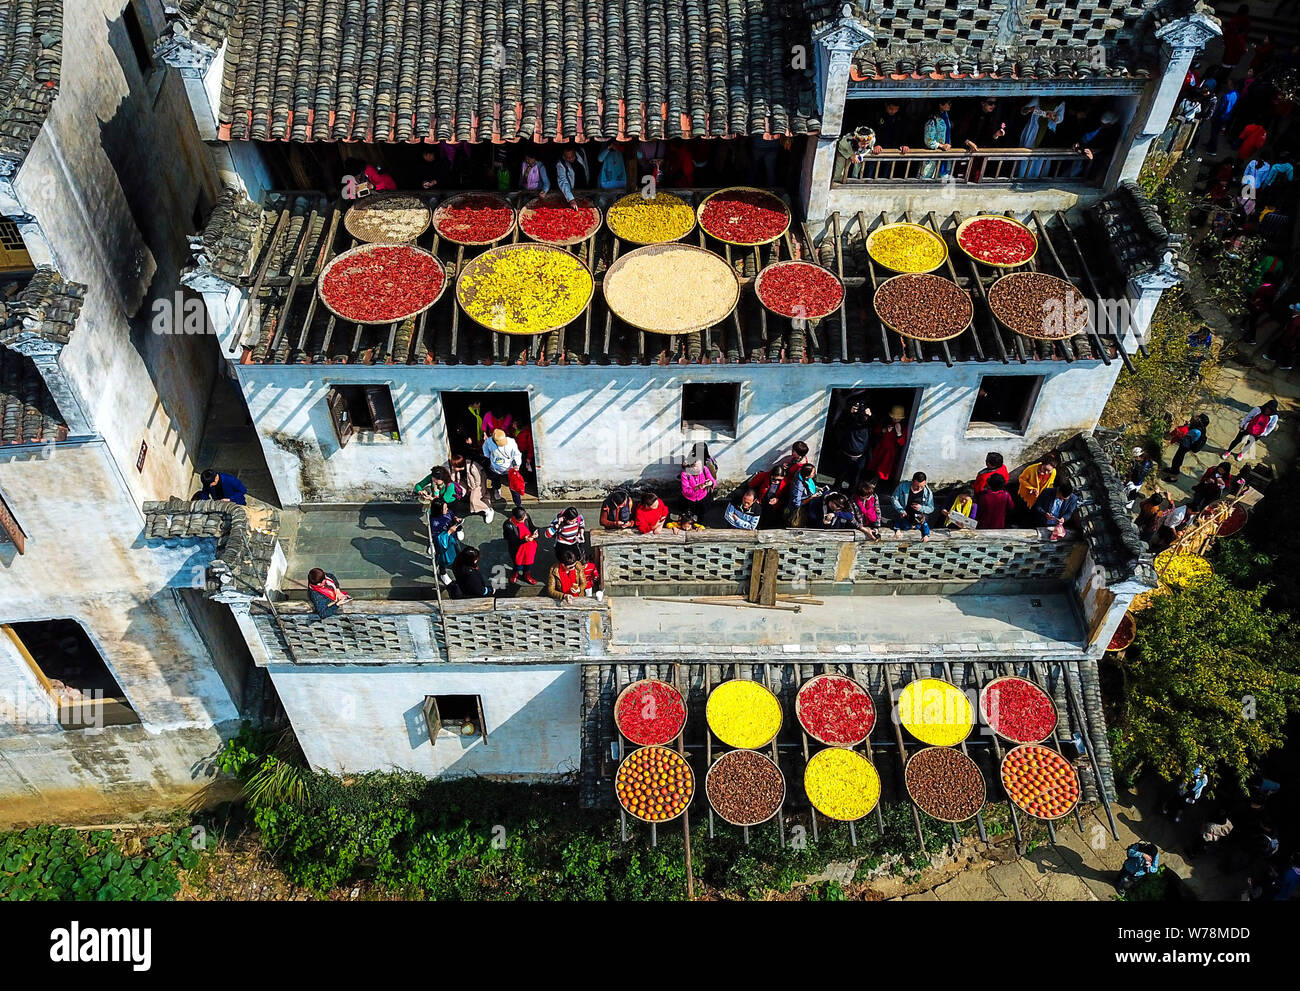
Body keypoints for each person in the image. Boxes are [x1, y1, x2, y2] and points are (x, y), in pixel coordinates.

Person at [830, 399, 873, 492]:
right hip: (846, 455)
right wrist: (849, 412)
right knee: (840, 476)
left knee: (855, 479)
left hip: (860, 457)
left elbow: (874, 424)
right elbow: (842, 422)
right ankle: (836, 491)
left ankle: (850, 493)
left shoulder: (867, 426)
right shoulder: (851, 423)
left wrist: (870, 415)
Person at [1018, 96, 1065, 179]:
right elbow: (1023, 111)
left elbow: (1060, 118)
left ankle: (1038, 178)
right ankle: (1023, 176)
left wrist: (1053, 117)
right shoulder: (1038, 99)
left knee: (1042, 155)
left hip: (1047, 132)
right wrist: (1030, 109)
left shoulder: (1060, 102)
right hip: (1033, 130)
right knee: (1028, 153)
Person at [445, 452, 493, 524]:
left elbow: (478, 482)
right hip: (467, 482)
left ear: (459, 465)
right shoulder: (457, 470)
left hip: (477, 485)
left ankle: (487, 509)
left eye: (454, 466)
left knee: (473, 500)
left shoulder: (472, 468)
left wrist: (472, 490)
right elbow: (453, 480)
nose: (452, 467)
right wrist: (454, 472)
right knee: (459, 493)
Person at [482, 427, 524, 508]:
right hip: (495, 467)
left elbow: (517, 454)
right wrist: (487, 455)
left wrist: (516, 465)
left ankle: (518, 505)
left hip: (510, 468)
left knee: (514, 487)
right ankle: (497, 490)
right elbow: (485, 447)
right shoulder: (489, 441)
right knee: (495, 480)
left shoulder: (511, 442)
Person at [865, 405, 907, 482]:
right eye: (893, 418)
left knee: (883, 469)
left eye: (897, 419)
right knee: (875, 465)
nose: (895, 419)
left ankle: (874, 483)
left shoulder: (903, 427)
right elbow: (876, 431)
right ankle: (871, 480)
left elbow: (902, 443)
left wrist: (899, 433)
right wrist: (883, 431)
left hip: (890, 452)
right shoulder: (885, 422)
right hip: (880, 448)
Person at [426, 498, 462, 586]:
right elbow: (437, 537)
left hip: (452, 539)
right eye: (445, 509)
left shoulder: (447, 511)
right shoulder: (434, 522)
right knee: (442, 558)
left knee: (459, 552)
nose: (447, 510)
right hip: (443, 543)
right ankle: (442, 573)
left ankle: (459, 565)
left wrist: (455, 519)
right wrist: (449, 532)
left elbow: (451, 514)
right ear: (439, 510)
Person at [503, 506, 539, 585]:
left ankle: (526, 575)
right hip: (517, 549)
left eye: (525, 515)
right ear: (516, 518)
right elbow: (512, 541)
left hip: (529, 547)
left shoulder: (526, 517)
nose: (525, 517)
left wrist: (535, 532)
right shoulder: (508, 525)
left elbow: (531, 526)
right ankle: (515, 573)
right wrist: (524, 540)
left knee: (529, 563)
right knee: (518, 564)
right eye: (523, 518)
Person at [890, 473, 932, 542]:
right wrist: (901, 510)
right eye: (917, 486)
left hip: (919, 515)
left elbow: (931, 508)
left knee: (923, 524)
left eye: (922, 487)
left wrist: (921, 508)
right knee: (902, 523)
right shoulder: (902, 487)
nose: (919, 489)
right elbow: (894, 499)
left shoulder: (928, 492)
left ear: (925, 482)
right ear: (912, 481)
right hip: (904, 514)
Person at [1166, 413, 1210, 478]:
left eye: (1198, 417)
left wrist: (1186, 427)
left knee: (1177, 460)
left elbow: (1184, 434)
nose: (1196, 417)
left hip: (1186, 446)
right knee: (1177, 458)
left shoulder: (1197, 431)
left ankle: (1174, 476)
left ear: (1200, 421)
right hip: (1185, 444)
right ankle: (1173, 470)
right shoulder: (1199, 427)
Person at [921, 100, 955, 179]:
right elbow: (928, 140)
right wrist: (941, 146)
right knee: (927, 180)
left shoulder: (946, 116)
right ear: (940, 104)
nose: (950, 105)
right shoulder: (932, 119)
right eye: (948, 103)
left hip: (944, 155)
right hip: (932, 157)